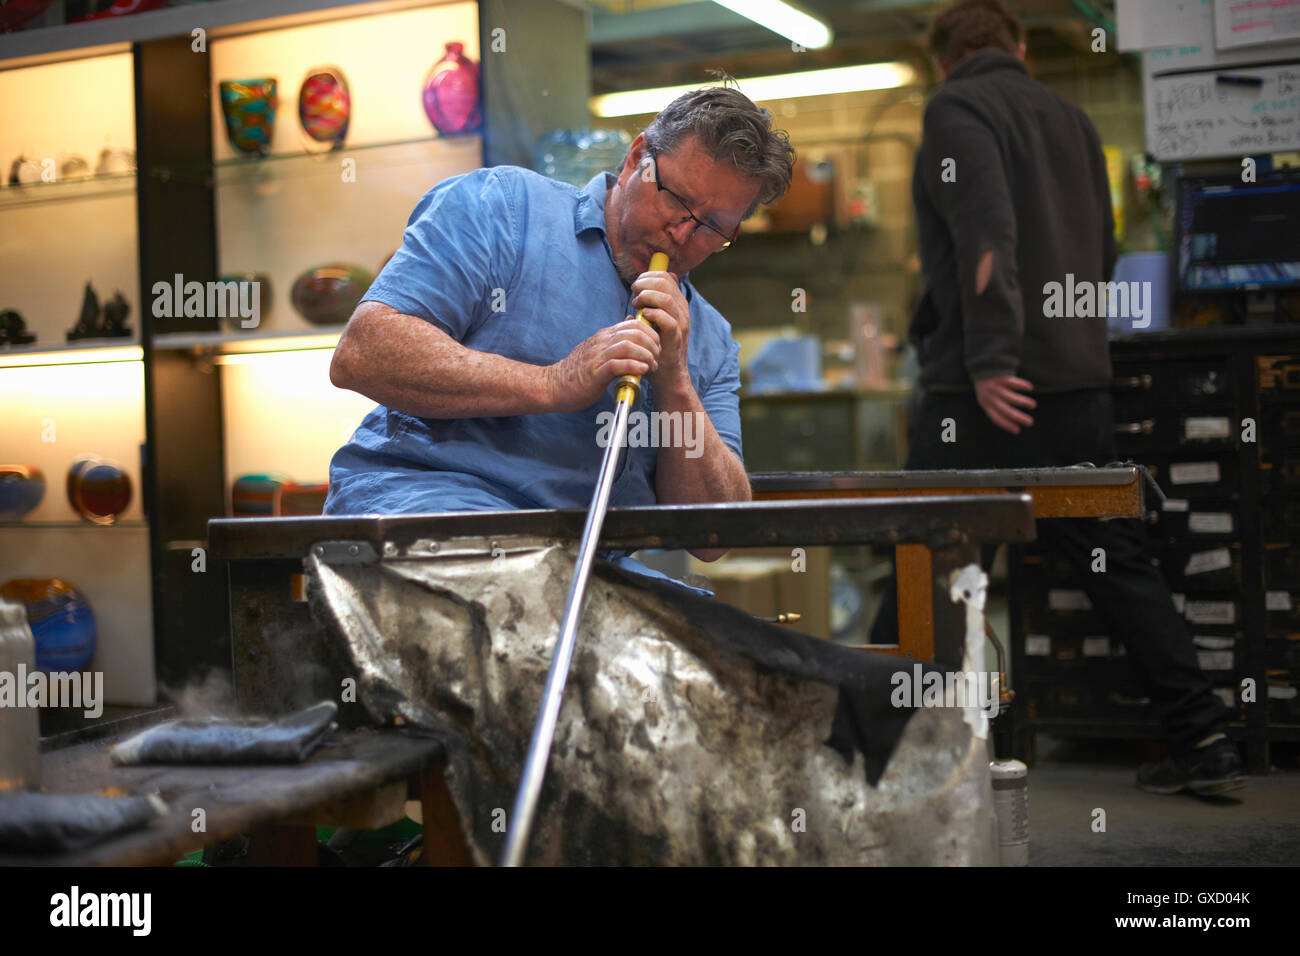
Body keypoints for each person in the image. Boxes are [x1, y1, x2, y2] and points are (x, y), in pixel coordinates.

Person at [871, 0, 1244, 795]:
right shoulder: (1072, 118)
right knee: (1118, 565)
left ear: (942, 59)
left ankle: (862, 753)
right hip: (1077, 387)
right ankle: (1204, 733)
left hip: (985, 396)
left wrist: (992, 359)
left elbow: (985, 232)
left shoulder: (956, 107)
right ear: (1023, 46)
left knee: (927, 561)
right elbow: (1103, 248)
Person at [324, 84, 795, 575]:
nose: (682, 234)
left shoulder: (711, 341)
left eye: (713, 228)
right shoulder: (504, 209)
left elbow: (714, 535)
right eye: (676, 199)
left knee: (732, 646)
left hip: (584, 564)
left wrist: (675, 381)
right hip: (431, 518)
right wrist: (552, 382)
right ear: (638, 159)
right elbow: (363, 353)